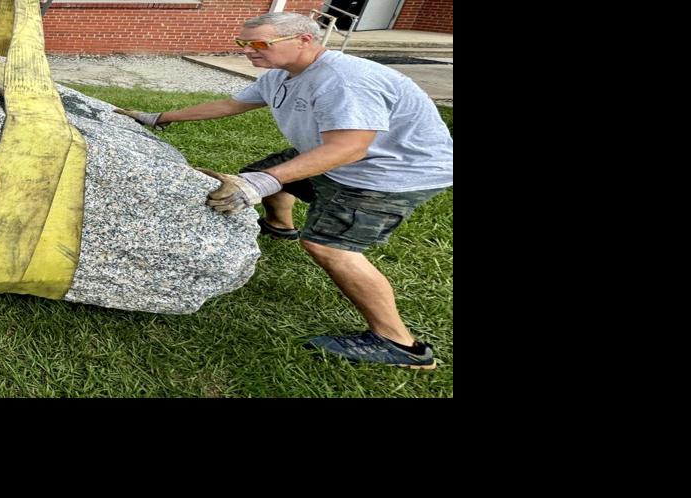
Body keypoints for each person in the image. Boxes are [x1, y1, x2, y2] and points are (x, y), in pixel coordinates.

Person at [115, 12, 453, 369]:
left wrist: (262, 183)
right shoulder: (280, 74)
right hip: (339, 156)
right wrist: (159, 117)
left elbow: (349, 148)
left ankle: (398, 343)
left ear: (304, 40)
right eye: (243, 43)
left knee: (329, 246)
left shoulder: (344, 81)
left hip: (385, 173)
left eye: (260, 43)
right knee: (266, 172)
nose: (248, 51)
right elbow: (230, 105)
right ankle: (279, 226)